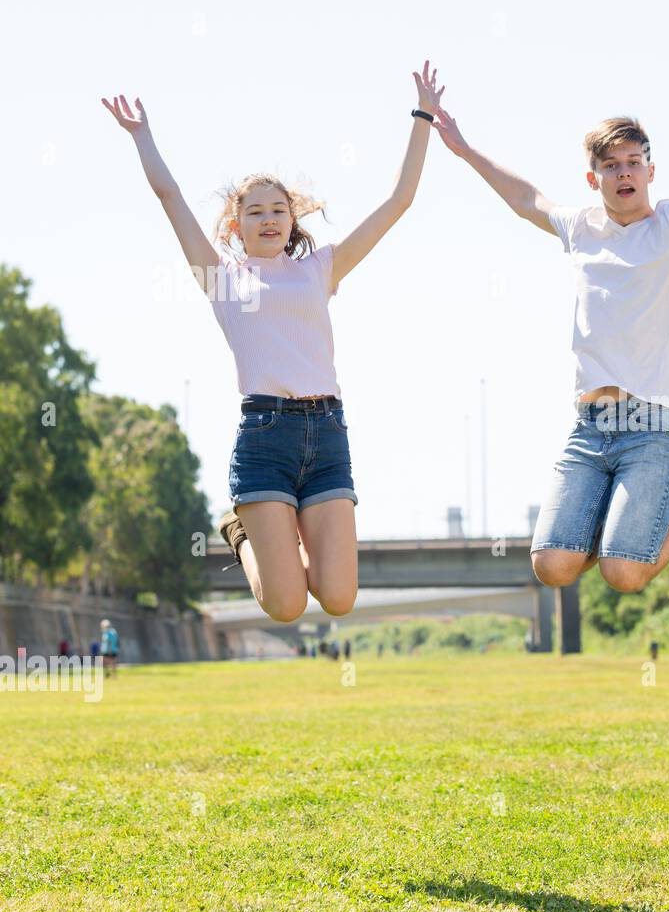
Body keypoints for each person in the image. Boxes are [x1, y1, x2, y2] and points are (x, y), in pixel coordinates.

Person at [430, 80, 669, 592]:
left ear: (650, 171)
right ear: (594, 178)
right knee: (552, 566)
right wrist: (463, 148)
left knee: (625, 573)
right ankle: (644, 523)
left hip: (658, 424)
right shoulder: (581, 228)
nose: (623, 172)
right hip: (590, 426)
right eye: (611, 165)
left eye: (633, 162)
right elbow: (525, 199)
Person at [101, 63, 445, 623]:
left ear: (292, 219)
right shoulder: (221, 278)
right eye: (255, 212)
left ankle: (278, 535)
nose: (268, 219)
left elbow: (398, 202)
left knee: (338, 598)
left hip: (328, 434)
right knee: (286, 606)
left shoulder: (322, 269)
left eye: (278, 210)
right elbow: (170, 196)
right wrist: (143, 137)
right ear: (236, 225)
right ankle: (242, 532)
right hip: (264, 438)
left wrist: (422, 115)